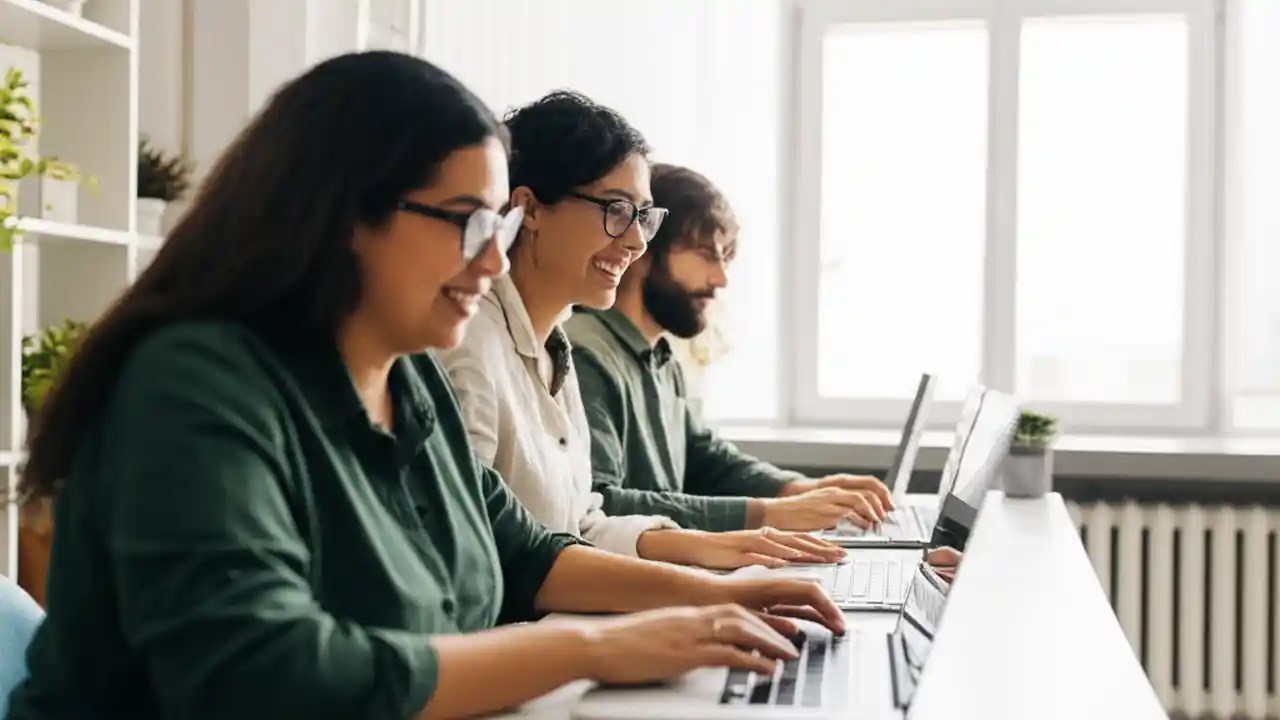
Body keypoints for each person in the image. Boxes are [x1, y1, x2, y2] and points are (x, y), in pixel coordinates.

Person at [6, 54, 845, 720]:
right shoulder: (195, 384)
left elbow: (523, 550)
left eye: (500, 227)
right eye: (467, 223)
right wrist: (591, 652)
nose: (492, 261)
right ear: (338, 211)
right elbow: (268, 672)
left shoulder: (407, 376)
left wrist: (715, 599)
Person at [440, 92, 844, 570]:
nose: (634, 241)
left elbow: (579, 524)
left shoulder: (555, 346)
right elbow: (479, 558)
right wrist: (713, 575)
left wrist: (723, 547)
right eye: (615, 210)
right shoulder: (470, 348)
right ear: (529, 209)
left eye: (643, 217)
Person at [566, 163, 895, 533]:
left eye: (725, 258)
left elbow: (702, 457)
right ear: (645, 249)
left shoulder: (660, 358)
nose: (720, 279)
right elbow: (600, 503)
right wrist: (768, 515)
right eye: (706, 254)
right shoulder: (585, 356)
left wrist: (800, 490)